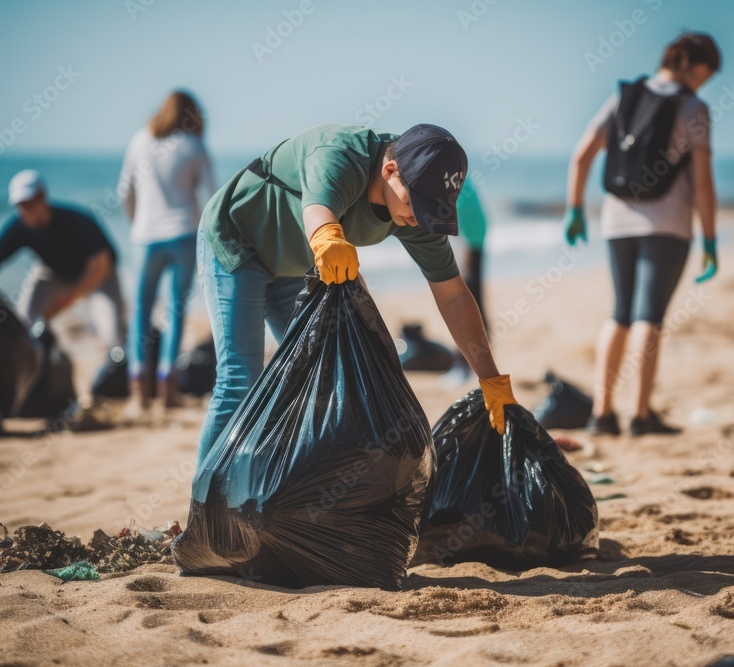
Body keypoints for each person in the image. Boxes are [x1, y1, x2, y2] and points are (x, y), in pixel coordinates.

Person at [195, 123, 516, 463]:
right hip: (237, 241)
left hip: (293, 264)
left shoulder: (420, 215)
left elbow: (452, 294)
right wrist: (328, 236)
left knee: (321, 380)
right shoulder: (343, 155)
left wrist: (490, 378)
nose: (419, 218)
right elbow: (318, 211)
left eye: (431, 208)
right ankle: (205, 493)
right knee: (240, 379)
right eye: (416, 204)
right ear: (390, 171)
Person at [563, 32, 721, 437]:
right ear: (695, 66)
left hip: (617, 223)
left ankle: (602, 414)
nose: (705, 83)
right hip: (667, 225)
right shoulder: (694, 108)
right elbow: (703, 184)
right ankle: (640, 415)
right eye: (707, 74)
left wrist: (575, 209)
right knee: (649, 317)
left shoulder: (623, 97)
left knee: (620, 314)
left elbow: (581, 156)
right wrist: (710, 238)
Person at [118, 91, 216, 411]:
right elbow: (212, 196)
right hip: (184, 234)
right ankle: (167, 387)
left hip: (145, 238)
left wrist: (137, 223)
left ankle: (137, 390)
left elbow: (124, 191)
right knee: (175, 310)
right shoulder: (194, 145)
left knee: (140, 311)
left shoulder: (139, 141)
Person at [0, 170, 125, 350]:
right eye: (21, 205)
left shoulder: (76, 221)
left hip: (98, 278)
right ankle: (28, 349)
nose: (27, 210)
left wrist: (70, 298)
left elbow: (102, 264)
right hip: (55, 274)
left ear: (42, 196)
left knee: (113, 337)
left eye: (30, 203)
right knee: (25, 318)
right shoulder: (19, 227)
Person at [457, 176, 488, 326]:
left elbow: (460, 214)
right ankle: (482, 325)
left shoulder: (458, 185)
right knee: (474, 284)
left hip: (474, 238)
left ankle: (480, 326)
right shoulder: (464, 180)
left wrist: (466, 247)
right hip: (478, 234)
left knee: (471, 286)